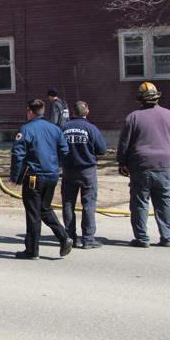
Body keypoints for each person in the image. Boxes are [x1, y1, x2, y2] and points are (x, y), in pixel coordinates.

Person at [117, 82, 170, 248]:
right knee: (164, 201)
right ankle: (167, 237)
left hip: (141, 166)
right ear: (157, 97)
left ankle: (142, 239)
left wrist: (122, 162)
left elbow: (124, 143)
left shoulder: (133, 117)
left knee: (140, 203)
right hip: (165, 166)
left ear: (140, 99)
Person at [10, 99, 73, 260]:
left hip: (34, 176)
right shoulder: (55, 129)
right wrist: (54, 166)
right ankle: (64, 237)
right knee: (44, 208)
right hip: (51, 176)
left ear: (30, 111)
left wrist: (15, 177)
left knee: (33, 213)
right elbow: (65, 150)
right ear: (43, 111)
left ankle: (32, 250)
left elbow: (18, 154)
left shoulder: (26, 129)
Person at [61, 101, 107, 249]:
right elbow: (101, 149)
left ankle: (70, 237)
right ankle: (88, 239)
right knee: (88, 204)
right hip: (87, 171)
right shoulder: (91, 129)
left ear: (73, 112)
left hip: (68, 170)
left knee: (68, 204)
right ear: (87, 111)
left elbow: (57, 148)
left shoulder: (63, 128)